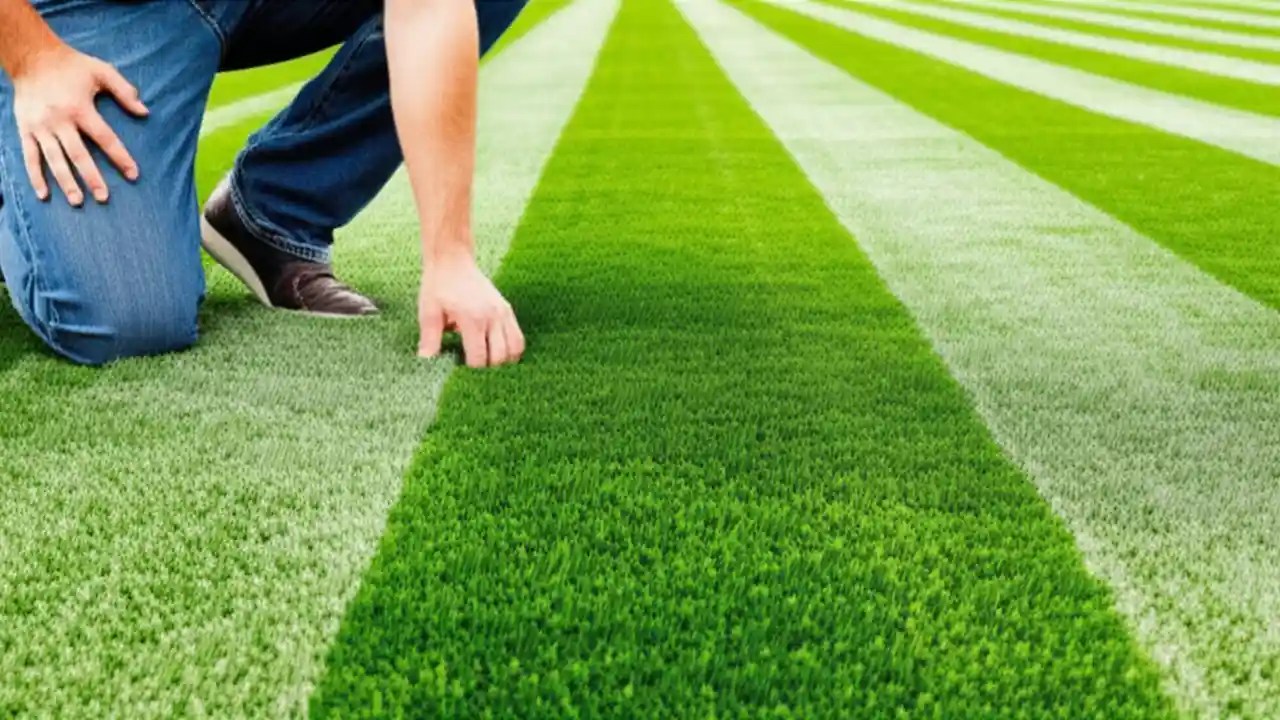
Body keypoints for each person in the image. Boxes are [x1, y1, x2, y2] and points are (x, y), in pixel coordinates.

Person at [0, 0, 528, 368]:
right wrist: (32, 56)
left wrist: (450, 255)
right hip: (83, 10)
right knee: (128, 319)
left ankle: (277, 210)